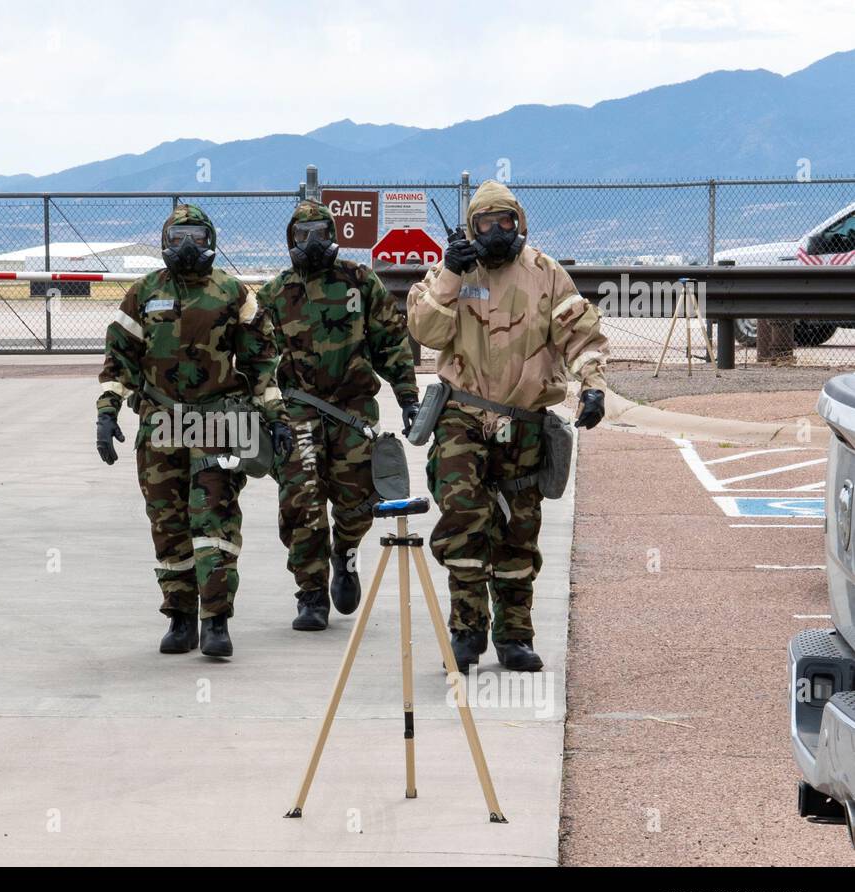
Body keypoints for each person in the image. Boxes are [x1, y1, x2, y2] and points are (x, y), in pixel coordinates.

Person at [406, 181, 609, 673]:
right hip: (463, 414)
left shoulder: (544, 273)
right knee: (463, 517)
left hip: (523, 420)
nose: (496, 232)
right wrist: (452, 274)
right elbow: (425, 331)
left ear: (520, 223)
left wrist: (593, 384)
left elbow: (580, 332)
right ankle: (466, 629)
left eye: (505, 222)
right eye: (485, 223)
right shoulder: (451, 271)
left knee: (519, 528)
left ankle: (515, 635)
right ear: (470, 226)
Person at [96, 204, 293, 658]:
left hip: (220, 422)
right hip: (161, 423)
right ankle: (180, 617)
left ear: (212, 242)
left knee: (214, 520)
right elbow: (119, 359)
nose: (189, 247)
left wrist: (277, 418)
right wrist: (106, 412)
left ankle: (216, 620)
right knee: (167, 522)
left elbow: (263, 363)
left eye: (198, 238)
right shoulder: (144, 293)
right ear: (165, 242)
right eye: (180, 237)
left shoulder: (233, 293)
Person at [257, 199, 420, 631]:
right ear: (289, 241)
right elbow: (255, 359)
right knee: (301, 502)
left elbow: (390, 340)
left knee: (358, 503)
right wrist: (262, 412)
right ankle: (310, 594)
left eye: (320, 234)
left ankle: (345, 554)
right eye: (301, 235)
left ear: (334, 236)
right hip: (297, 412)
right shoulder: (274, 293)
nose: (311, 243)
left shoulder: (360, 282)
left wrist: (407, 397)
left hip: (353, 412)